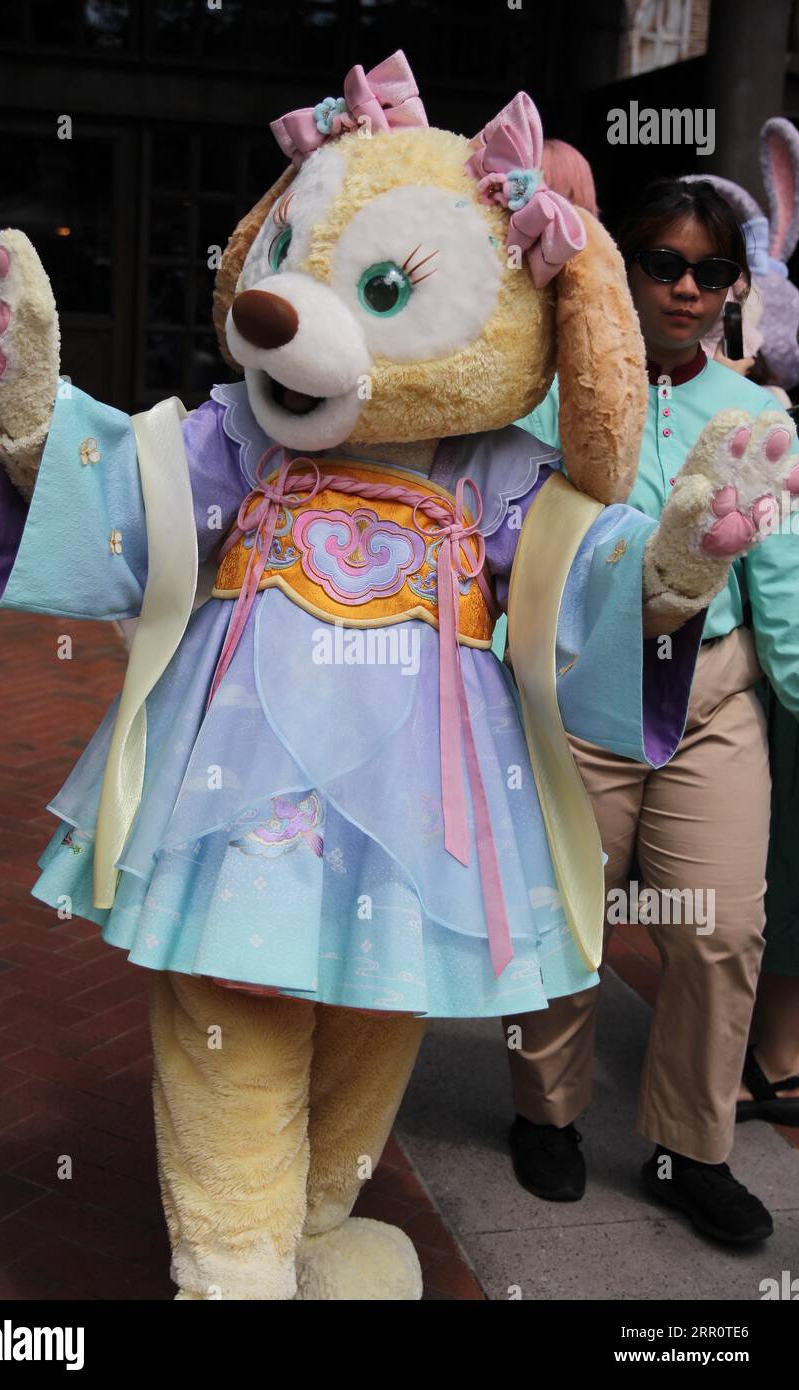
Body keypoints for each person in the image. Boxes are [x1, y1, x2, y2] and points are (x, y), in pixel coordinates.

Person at [503, 177, 799, 1245]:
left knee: (720, 927)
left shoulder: (761, 415)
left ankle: (689, 1148)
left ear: (732, 288)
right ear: (623, 269)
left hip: (713, 701)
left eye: (708, 271)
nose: (683, 287)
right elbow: (507, 548)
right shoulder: (546, 397)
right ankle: (545, 1114)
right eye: (662, 264)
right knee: (565, 917)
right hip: (583, 692)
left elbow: (781, 584)